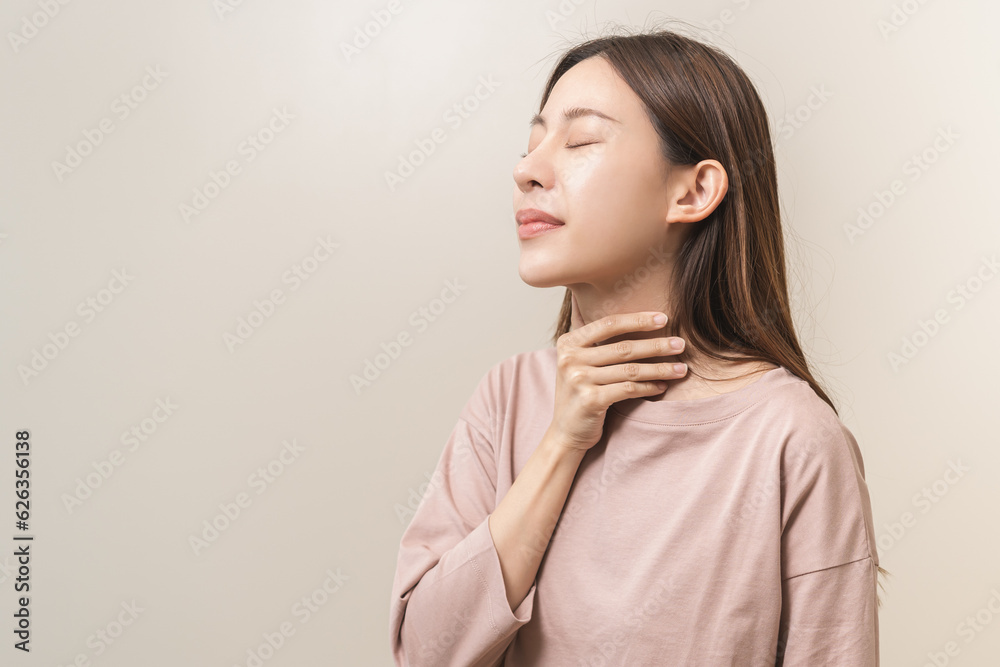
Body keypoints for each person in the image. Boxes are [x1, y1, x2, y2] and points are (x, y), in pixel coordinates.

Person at [390, 25, 888, 666]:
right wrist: (562, 442)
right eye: (532, 141)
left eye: (580, 140)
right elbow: (424, 655)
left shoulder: (792, 438)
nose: (526, 170)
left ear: (694, 190)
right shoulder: (509, 397)